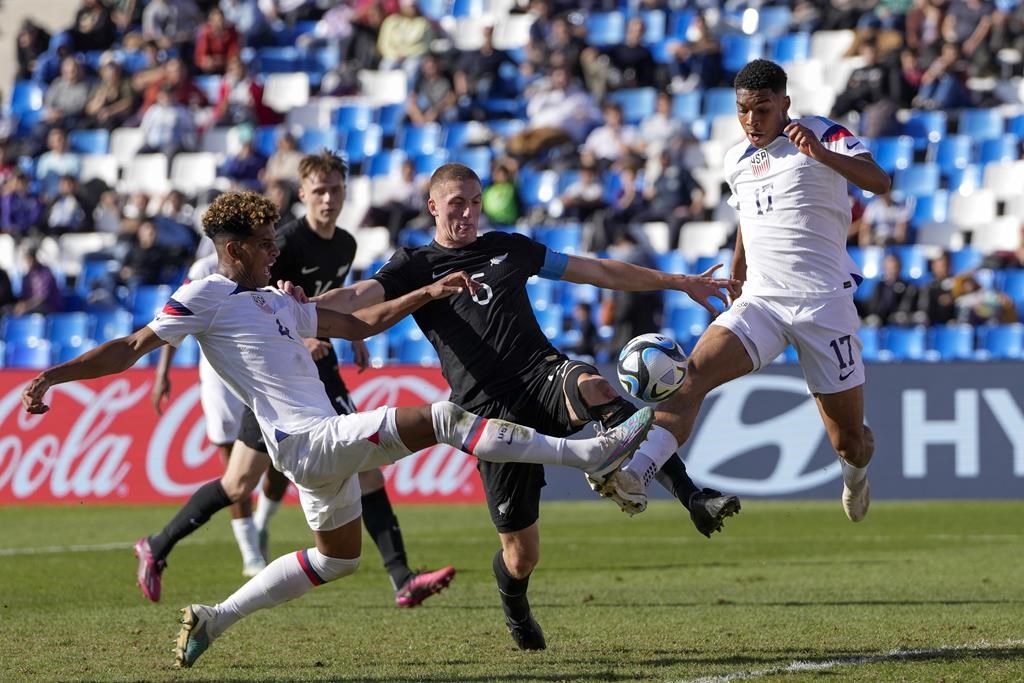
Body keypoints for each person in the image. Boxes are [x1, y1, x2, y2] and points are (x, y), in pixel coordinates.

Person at [21, 190, 656, 669]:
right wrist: (54, 375)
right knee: (441, 417)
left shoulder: (275, 300)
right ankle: (588, 454)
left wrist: (428, 293)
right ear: (234, 249)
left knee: (338, 559)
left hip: (317, 446)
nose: (276, 249)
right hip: (306, 441)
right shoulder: (204, 295)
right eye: (265, 242)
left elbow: (359, 324)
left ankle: (216, 618)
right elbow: (129, 347)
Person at [311, 162, 742, 651]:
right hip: (485, 412)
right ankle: (516, 609)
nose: (468, 213)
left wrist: (678, 281)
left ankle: (693, 498)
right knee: (521, 556)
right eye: (457, 204)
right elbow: (357, 297)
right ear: (432, 207)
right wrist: (301, 311)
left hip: (543, 375)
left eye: (475, 203)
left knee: (597, 388)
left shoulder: (509, 247)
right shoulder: (414, 265)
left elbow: (596, 270)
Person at [134, 152, 456, 611]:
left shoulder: (344, 244)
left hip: (318, 372)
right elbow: (264, 306)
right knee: (237, 484)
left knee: (362, 470)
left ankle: (402, 576)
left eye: (335, 190)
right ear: (303, 194)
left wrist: (353, 339)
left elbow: (332, 305)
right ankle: (158, 544)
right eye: (319, 191)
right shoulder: (282, 242)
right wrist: (304, 338)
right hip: (277, 378)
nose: (328, 199)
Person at [597, 59, 891, 526]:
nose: (752, 120)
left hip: (823, 305)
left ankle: (855, 476)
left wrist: (820, 153)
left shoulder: (823, 133)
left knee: (849, 442)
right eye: (743, 110)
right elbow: (747, 218)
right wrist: (736, 275)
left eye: (763, 109)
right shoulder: (736, 159)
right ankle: (637, 473)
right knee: (690, 376)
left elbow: (880, 182)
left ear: (785, 104)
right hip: (761, 302)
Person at [152, 252, 264, 576]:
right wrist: (162, 372)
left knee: (277, 459)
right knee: (233, 466)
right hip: (219, 375)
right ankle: (251, 553)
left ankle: (262, 524)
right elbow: (174, 319)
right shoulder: (204, 268)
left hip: (262, 370)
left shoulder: (266, 258)